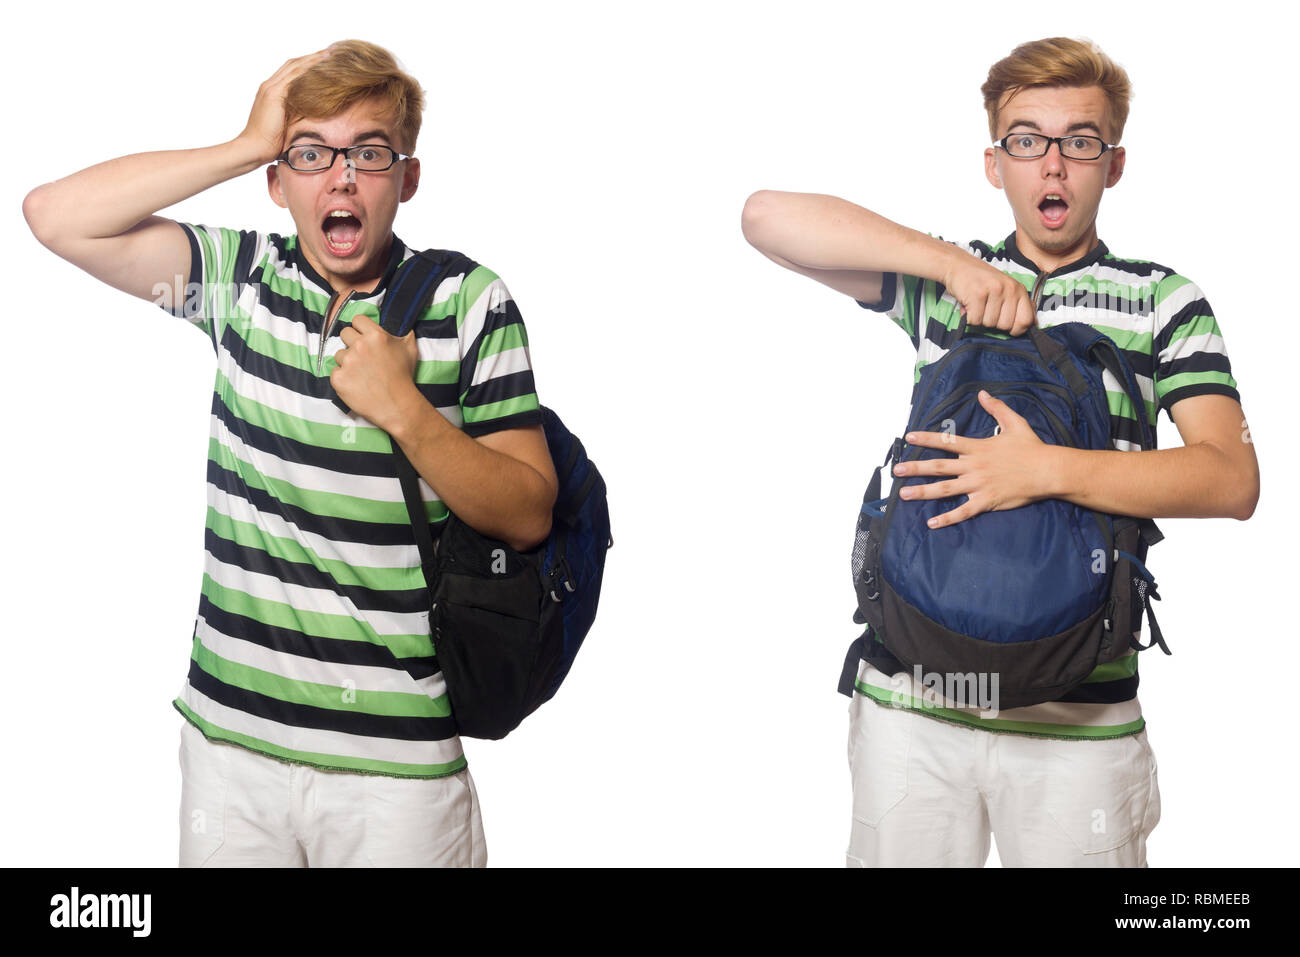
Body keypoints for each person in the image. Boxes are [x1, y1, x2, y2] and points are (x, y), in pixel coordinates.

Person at [23, 40, 558, 867]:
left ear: (406, 178)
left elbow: (528, 514)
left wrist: (405, 411)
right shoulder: (236, 286)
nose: (341, 178)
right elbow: (57, 216)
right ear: (279, 182)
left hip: (398, 771)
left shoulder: (468, 303)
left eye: (369, 154)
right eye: (311, 154)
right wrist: (243, 144)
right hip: (231, 754)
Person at [740, 36, 1259, 867]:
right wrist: (946, 263)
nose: (1052, 165)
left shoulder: (1165, 301)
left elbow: (1231, 479)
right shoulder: (948, 284)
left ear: (1113, 163)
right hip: (913, 700)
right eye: (1027, 140)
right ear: (995, 162)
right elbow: (764, 217)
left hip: (1080, 719)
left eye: (1079, 141)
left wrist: (1043, 471)